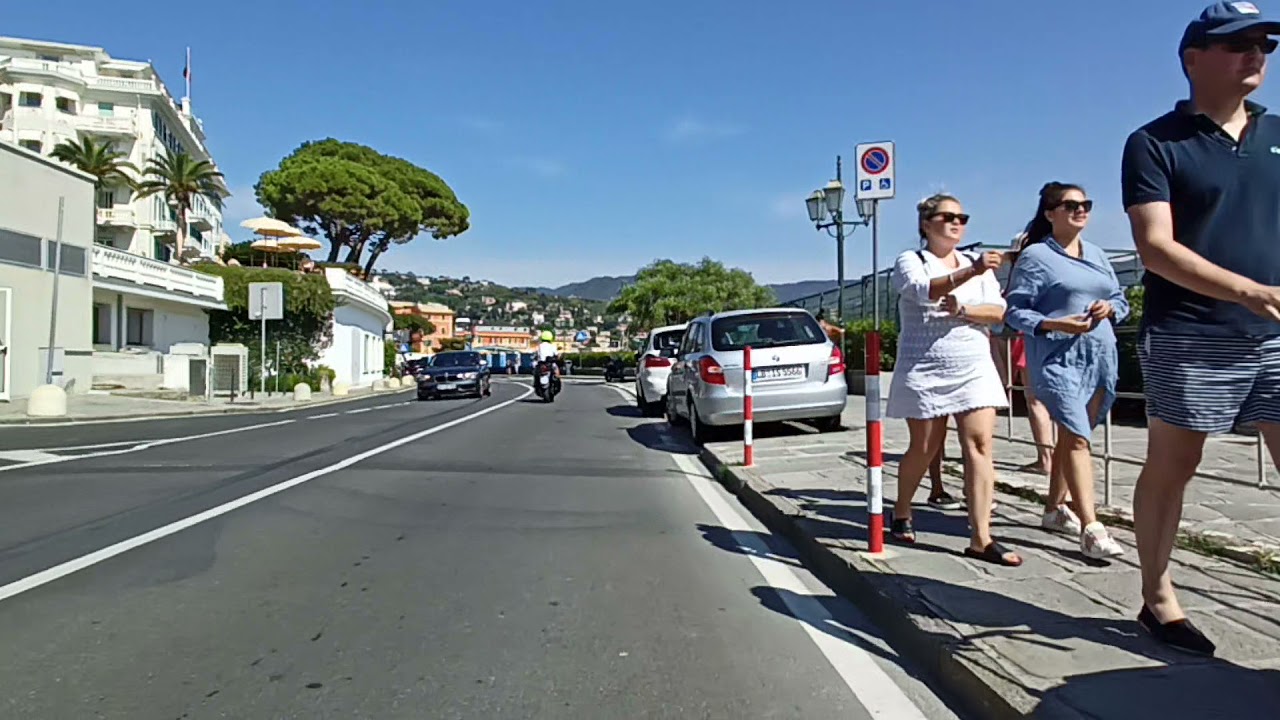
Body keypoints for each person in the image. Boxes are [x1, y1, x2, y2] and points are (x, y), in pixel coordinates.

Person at [1121, 1, 1280, 656]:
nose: (1256, 53)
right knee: (1174, 464)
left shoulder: (1278, 136)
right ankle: (1157, 597)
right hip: (1193, 331)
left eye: (1263, 43)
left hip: (1276, 333)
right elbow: (1155, 247)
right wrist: (1248, 291)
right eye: (1237, 43)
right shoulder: (1155, 142)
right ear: (1193, 60)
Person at [886, 193, 1020, 566]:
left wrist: (965, 308)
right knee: (925, 447)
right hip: (925, 365)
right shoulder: (911, 260)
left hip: (973, 364)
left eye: (962, 216)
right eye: (948, 216)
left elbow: (997, 312)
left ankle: (981, 537)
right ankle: (901, 510)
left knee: (979, 445)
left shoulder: (977, 265)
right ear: (927, 224)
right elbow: (923, 291)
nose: (957, 223)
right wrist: (972, 272)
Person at [1004, 182, 1128, 559]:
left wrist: (1110, 309)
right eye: (1070, 204)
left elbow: (1120, 298)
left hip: (1099, 357)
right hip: (1058, 360)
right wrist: (1056, 325)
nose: (1080, 210)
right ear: (1050, 213)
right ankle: (1091, 527)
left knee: (1075, 436)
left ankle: (1054, 510)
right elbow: (1015, 311)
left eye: (1085, 204)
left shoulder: (1098, 254)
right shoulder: (1036, 256)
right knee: (1077, 438)